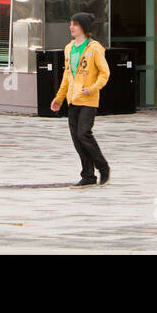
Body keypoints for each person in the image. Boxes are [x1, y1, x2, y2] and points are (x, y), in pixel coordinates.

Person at [50, 12, 111, 187]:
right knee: (77, 139)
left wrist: (92, 88)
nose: (71, 27)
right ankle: (88, 175)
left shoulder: (95, 48)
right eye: (70, 24)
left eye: (75, 24)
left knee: (84, 134)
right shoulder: (69, 48)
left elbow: (104, 73)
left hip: (88, 100)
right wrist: (59, 98)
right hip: (73, 99)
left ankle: (103, 167)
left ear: (83, 27)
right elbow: (67, 75)